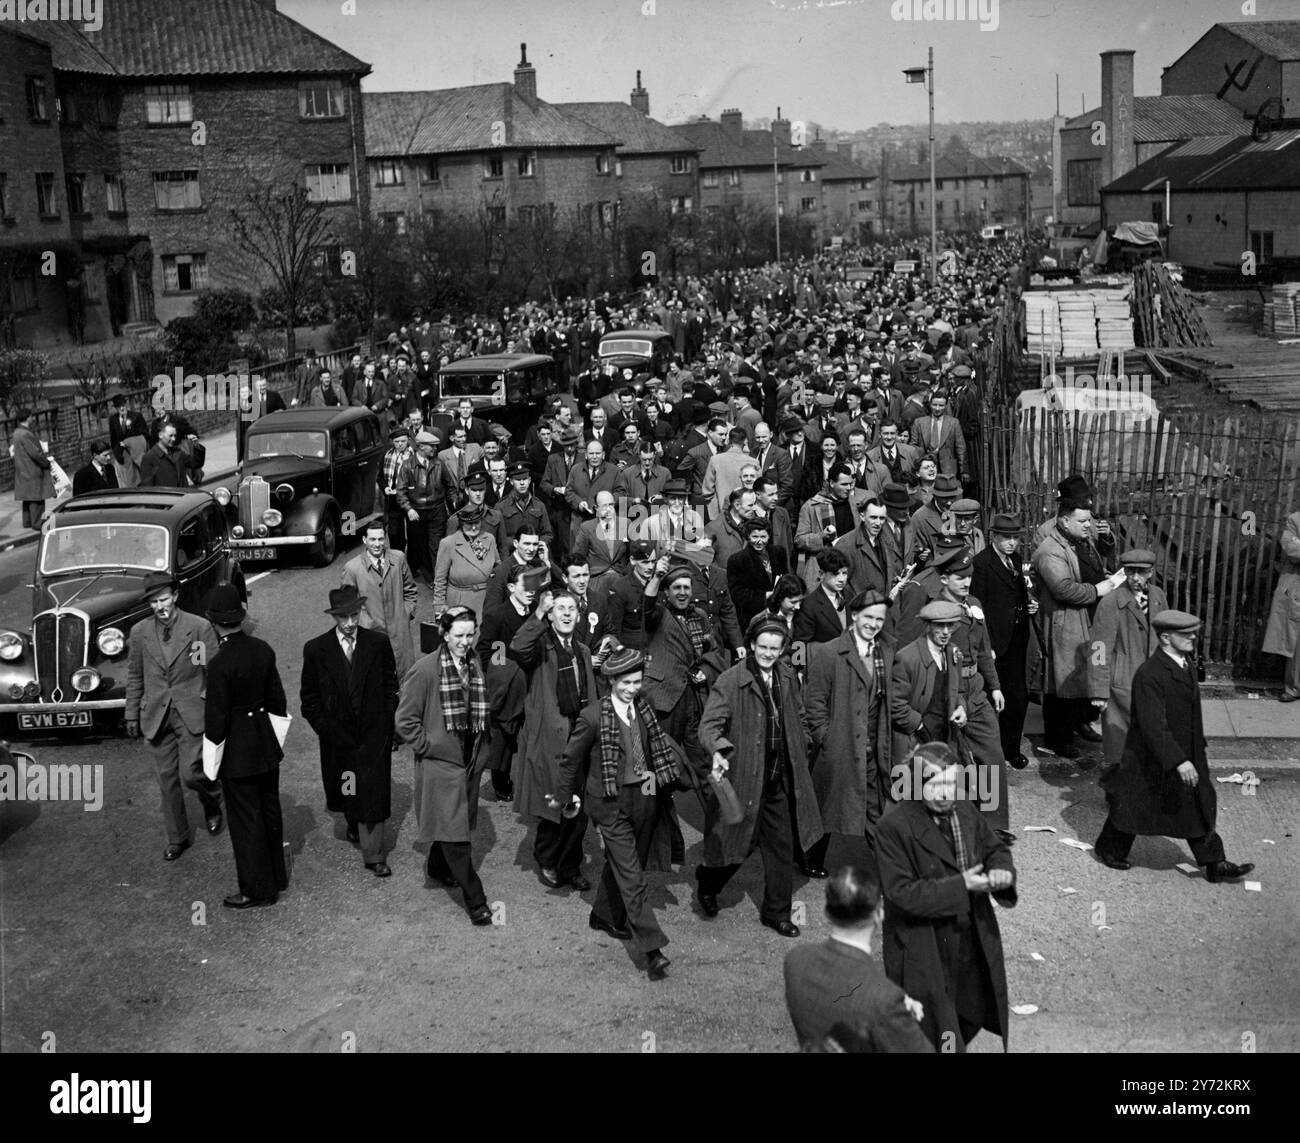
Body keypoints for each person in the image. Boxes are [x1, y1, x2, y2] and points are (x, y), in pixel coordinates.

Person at [1095, 611, 1256, 884]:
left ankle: (1215, 863)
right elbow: (1152, 725)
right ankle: (1109, 849)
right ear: (1166, 638)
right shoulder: (1150, 674)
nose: (1193, 636)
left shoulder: (1185, 663)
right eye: (1186, 634)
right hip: (1150, 757)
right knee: (1134, 805)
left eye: (1193, 631)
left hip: (1185, 749)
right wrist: (1179, 760)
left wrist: (1194, 751)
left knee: (1197, 803)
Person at [876, 741, 1016, 1053]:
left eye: (952, 784)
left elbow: (993, 848)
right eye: (936, 786)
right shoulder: (893, 827)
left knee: (971, 1012)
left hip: (968, 937)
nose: (946, 793)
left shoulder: (964, 809)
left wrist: (1001, 871)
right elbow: (902, 894)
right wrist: (961, 885)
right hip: (923, 947)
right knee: (935, 1028)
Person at [555, 647, 679, 980]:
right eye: (625, 682)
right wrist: (566, 798)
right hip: (608, 803)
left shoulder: (644, 709)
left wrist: (653, 797)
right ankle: (652, 950)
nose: (632, 688)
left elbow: (653, 754)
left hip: (644, 796)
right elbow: (570, 760)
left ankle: (604, 915)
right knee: (634, 877)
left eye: (637, 682)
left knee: (628, 865)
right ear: (611, 680)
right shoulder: (593, 716)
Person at [696, 616, 823, 936]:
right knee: (737, 845)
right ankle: (708, 883)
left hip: (780, 776)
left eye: (774, 648)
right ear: (752, 645)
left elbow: (800, 714)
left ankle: (776, 912)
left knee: (782, 846)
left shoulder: (787, 675)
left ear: (782, 649)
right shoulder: (730, 680)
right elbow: (708, 727)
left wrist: (804, 741)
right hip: (744, 777)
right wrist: (719, 750)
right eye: (762, 647)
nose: (768, 653)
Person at [396, 607, 495, 925]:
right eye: (459, 636)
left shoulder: (473, 661)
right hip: (442, 766)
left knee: (453, 821)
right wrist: (430, 748)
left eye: (470, 635)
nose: (465, 642)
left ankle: (438, 868)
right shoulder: (425, 671)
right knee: (457, 836)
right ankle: (476, 901)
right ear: (444, 634)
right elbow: (405, 721)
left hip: (467, 759)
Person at [301, 585, 399, 876]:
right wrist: (325, 729)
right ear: (333, 617)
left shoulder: (377, 644)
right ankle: (353, 819)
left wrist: (385, 720)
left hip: (373, 734)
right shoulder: (316, 650)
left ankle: (375, 855)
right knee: (348, 784)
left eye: (354, 615)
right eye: (343, 617)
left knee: (373, 792)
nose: (350, 623)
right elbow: (310, 699)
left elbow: (391, 687)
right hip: (338, 737)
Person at [204, 582, 289, 909]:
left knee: (245, 821)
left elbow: (216, 721)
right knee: (270, 810)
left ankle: (257, 889)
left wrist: (211, 764)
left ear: (214, 623)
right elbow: (278, 701)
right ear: (240, 618)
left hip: (237, 753)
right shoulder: (263, 649)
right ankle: (277, 876)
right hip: (265, 744)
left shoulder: (219, 665)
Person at [125, 572, 222, 861]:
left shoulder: (199, 628)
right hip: (156, 715)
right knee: (166, 780)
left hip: (191, 711)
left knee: (191, 774)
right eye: (154, 602)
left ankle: (213, 801)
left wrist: (215, 710)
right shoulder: (139, 632)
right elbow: (134, 675)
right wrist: (131, 714)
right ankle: (177, 837)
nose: (160, 606)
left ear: (176, 596)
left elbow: (213, 672)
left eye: (164, 599)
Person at [783, 866, 931, 1053]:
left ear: (827, 912)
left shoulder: (795, 960)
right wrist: (902, 1019)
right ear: (879, 914)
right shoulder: (886, 999)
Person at [511, 590, 598, 891]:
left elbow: (592, 696)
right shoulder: (540, 648)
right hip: (550, 740)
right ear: (550, 615)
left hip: (579, 736)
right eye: (559, 609)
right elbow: (517, 647)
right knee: (555, 806)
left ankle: (570, 867)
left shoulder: (583, 651)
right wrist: (536, 613)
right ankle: (547, 858)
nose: (566, 614)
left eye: (571, 609)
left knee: (579, 809)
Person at [804, 590, 894, 877]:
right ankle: (808, 858)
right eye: (868, 617)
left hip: (873, 746)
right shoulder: (830, 652)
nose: (873, 624)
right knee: (827, 807)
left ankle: (893, 872)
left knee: (875, 810)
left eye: (879, 618)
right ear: (854, 616)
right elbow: (813, 703)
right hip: (840, 746)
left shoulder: (887, 651)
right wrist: (827, 738)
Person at [1032, 499, 1127, 762]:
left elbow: (1093, 566)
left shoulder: (1080, 540)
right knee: (1063, 682)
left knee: (1082, 675)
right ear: (1064, 521)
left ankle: (1078, 725)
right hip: (1067, 621)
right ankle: (1058, 740)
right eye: (1083, 521)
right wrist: (1098, 590)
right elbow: (1062, 588)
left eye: (1090, 520)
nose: (1089, 525)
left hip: (1086, 617)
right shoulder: (1050, 550)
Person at [1086, 549, 1169, 772]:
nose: (1135, 578)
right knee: (1121, 746)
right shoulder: (1111, 601)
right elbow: (1099, 648)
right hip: (1122, 684)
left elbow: (1165, 638)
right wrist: (1098, 691)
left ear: (1151, 573)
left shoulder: (1158, 596)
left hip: (1153, 681)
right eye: (1130, 572)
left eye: (1141, 573)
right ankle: (1118, 795)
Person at [971, 514, 1038, 771]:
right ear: (993, 537)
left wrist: (1029, 604)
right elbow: (979, 606)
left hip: (1018, 638)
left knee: (1017, 696)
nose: (1012, 543)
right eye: (1006, 538)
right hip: (995, 641)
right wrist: (984, 644)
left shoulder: (1016, 560)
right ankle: (989, 754)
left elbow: (1020, 591)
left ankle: (1011, 748)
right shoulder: (982, 564)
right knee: (991, 697)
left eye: (1015, 538)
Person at [340, 521, 419, 681]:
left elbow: (410, 590)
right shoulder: (352, 568)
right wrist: (364, 625)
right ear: (364, 540)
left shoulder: (398, 559)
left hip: (400, 632)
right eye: (372, 539)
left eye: (381, 539)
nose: (377, 544)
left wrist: (404, 614)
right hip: (370, 635)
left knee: (406, 679)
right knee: (376, 682)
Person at [397, 430, 447, 585]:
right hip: (417, 512)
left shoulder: (439, 463)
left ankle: (438, 578)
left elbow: (450, 484)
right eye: (431, 446)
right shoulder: (407, 466)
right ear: (421, 447)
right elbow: (400, 491)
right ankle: (427, 575)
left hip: (437, 510)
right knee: (421, 546)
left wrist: (454, 504)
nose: (435, 449)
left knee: (436, 545)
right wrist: (409, 509)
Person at [432, 505, 498, 619]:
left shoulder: (489, 539)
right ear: (462, 524)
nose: (474, 528)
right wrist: (439, 607)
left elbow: (497, 566)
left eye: (477, 523)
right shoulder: (448, 543)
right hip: (460, 601)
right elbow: (440, 579)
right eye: (469, 524)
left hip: (486, 599)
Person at [727, 516, 790, 632]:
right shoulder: (737, 560)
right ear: (747, 537)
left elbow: (786, 577)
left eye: (763, 537)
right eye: (755, 537)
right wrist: (766, 595)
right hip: (752, 617)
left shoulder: (779, 552)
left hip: (778, 613)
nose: (759, 541)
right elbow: (736, 594)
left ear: (769, 536)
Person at [1262, 509, 1300, 702]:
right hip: (1297, 588)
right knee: (1296, 640)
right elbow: (1292, 550)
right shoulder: (1295, 520)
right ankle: (1294, 687)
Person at [12, 409, 55, 527]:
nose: (32, 418)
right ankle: (37, 522)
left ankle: (27, 522)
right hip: (32, 469)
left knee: (27, 497)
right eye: (31, 416)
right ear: (28, 417)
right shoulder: (25, 434)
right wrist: (46, 462)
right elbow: (35, 453)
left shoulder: (17, 432)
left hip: (23, 469)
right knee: (37, 497)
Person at [139, 421, 200, 488]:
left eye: (174, 436)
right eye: (170, 436)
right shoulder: (149, 458)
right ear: (160, 435)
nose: (173, 439)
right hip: (167, 497)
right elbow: (147, 487)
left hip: (184, 496)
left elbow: (196, 463)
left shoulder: (178, 452)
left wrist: (196, 446)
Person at [109, 394, 149, 488]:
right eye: (119, 406)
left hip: (138, 453)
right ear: (116, 408)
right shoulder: (113, 420)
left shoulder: (136, 417)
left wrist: (129, 441)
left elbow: (146, 435)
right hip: (125, 456)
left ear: (126, 404)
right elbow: (113, 440)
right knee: (131, 482)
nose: (122, 408)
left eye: (123, 405)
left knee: (145, 478)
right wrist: (118, 454)